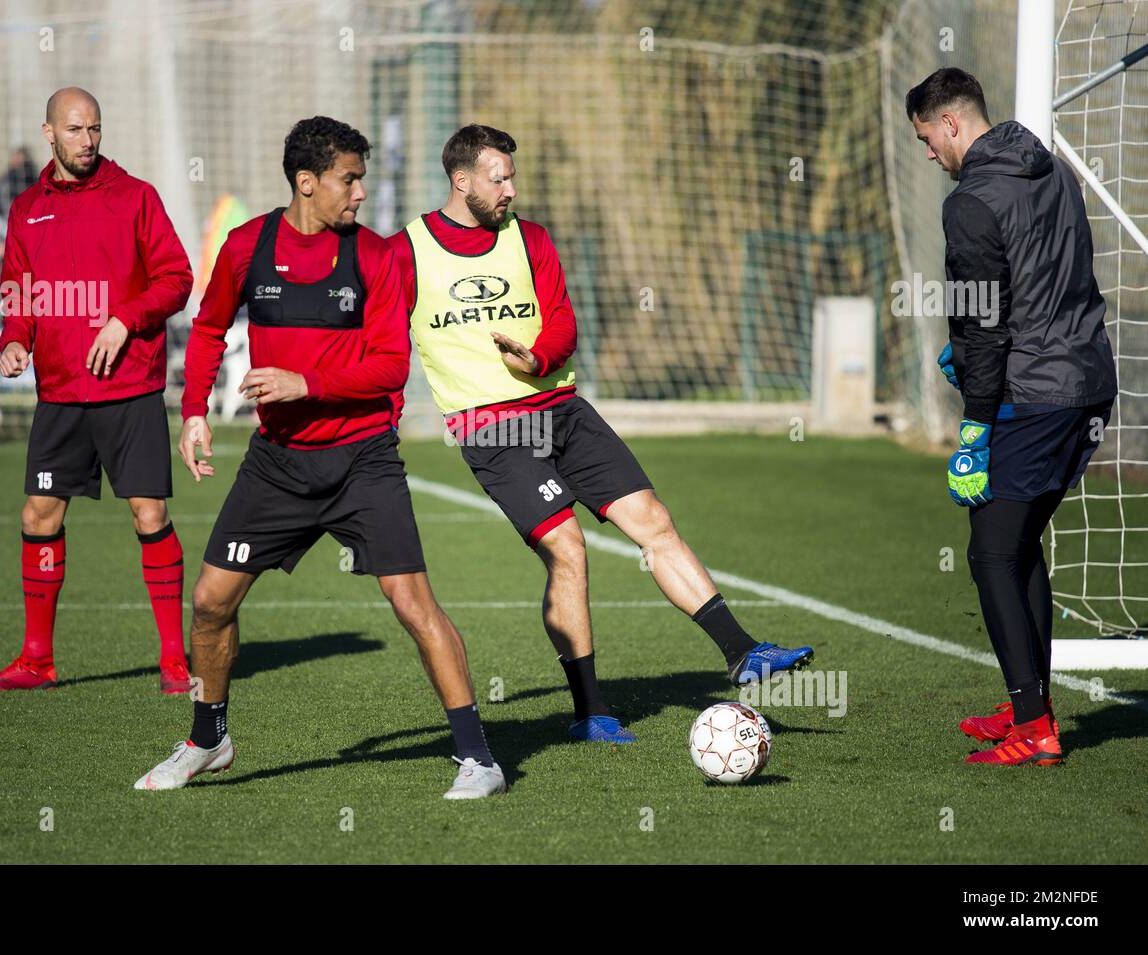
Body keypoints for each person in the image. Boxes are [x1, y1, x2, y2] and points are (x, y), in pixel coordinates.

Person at [388, 125, 815, 744]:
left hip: (563, 409)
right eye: (497, 177)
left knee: (655, 521)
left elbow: (562, 319)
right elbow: (379, 338)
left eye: (512, 175)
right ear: (461, 181)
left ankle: (743, 653)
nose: (510, 188)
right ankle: (591, 711)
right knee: (568, 550)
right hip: (491, 430)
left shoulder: (529, 238)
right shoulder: (406, 252)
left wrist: (537, 358)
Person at [134, 117, 505, 799]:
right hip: (277, 462)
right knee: (211, 602)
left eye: (361, 177)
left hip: (363, 459)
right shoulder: (249, 247)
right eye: (349, 178)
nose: (360, 192)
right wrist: (191, 412)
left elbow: (392, 365)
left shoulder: (376, 256)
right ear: (306, 183)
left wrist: (309, 383)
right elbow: (211, 324)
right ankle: (209, 738)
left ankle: (479, 756)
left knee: (412, 602)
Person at [907, 68, 1118, 765]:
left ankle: (1035, 727)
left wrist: (973, 425)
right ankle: (1029, 703)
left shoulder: (971, 201)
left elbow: (985, 323)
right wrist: (964, 349)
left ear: (952, 124)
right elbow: (1059, 275)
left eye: (927, 140)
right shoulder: (1054, 170)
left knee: (991, 550)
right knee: (1020, 540)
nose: (928, 154)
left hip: (1032, 395)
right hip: (1088, 380)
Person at [0, 87, 196, 695]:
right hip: (61, 394)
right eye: (74, 130)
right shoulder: (26, 209)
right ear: (49, 133)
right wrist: (14, 339)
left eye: (94, 128)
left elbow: (177, 279)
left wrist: (125, 318)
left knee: (149, 513)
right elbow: (17, 289)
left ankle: (175, 661)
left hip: (129, 389)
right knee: (39, 515)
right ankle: (36, 661)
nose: (88, 141)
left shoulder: (136, 197)